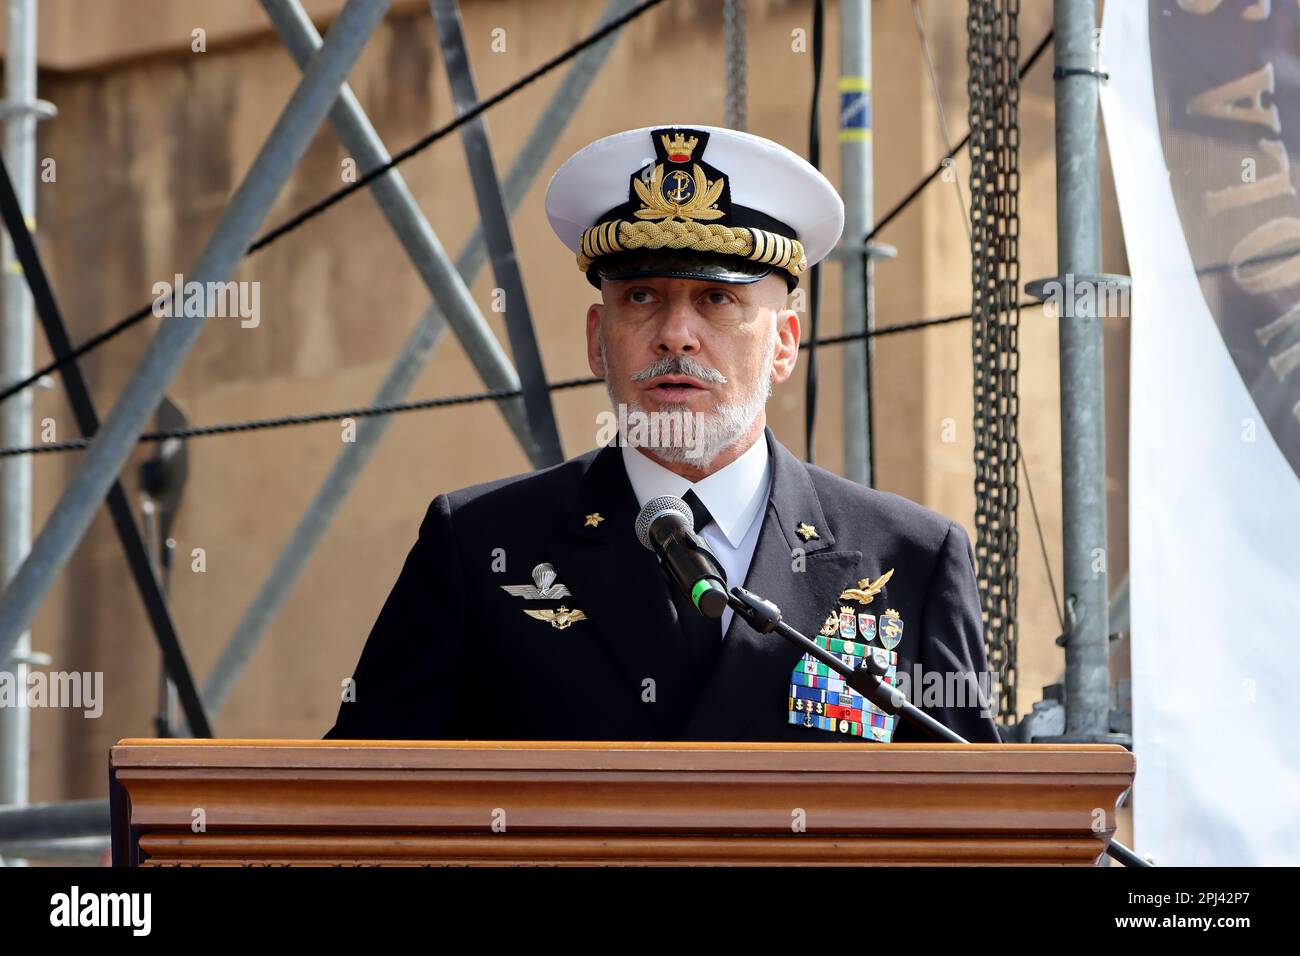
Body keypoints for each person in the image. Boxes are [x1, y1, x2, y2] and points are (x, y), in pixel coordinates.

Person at [324, 124, 1001, 744]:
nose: (676, 333)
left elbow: (984, 830)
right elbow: (357, 805)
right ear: (598, 339)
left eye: (718, 299)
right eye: (642, 297)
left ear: (785, 345)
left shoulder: (908, 560)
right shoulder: (480, 547)